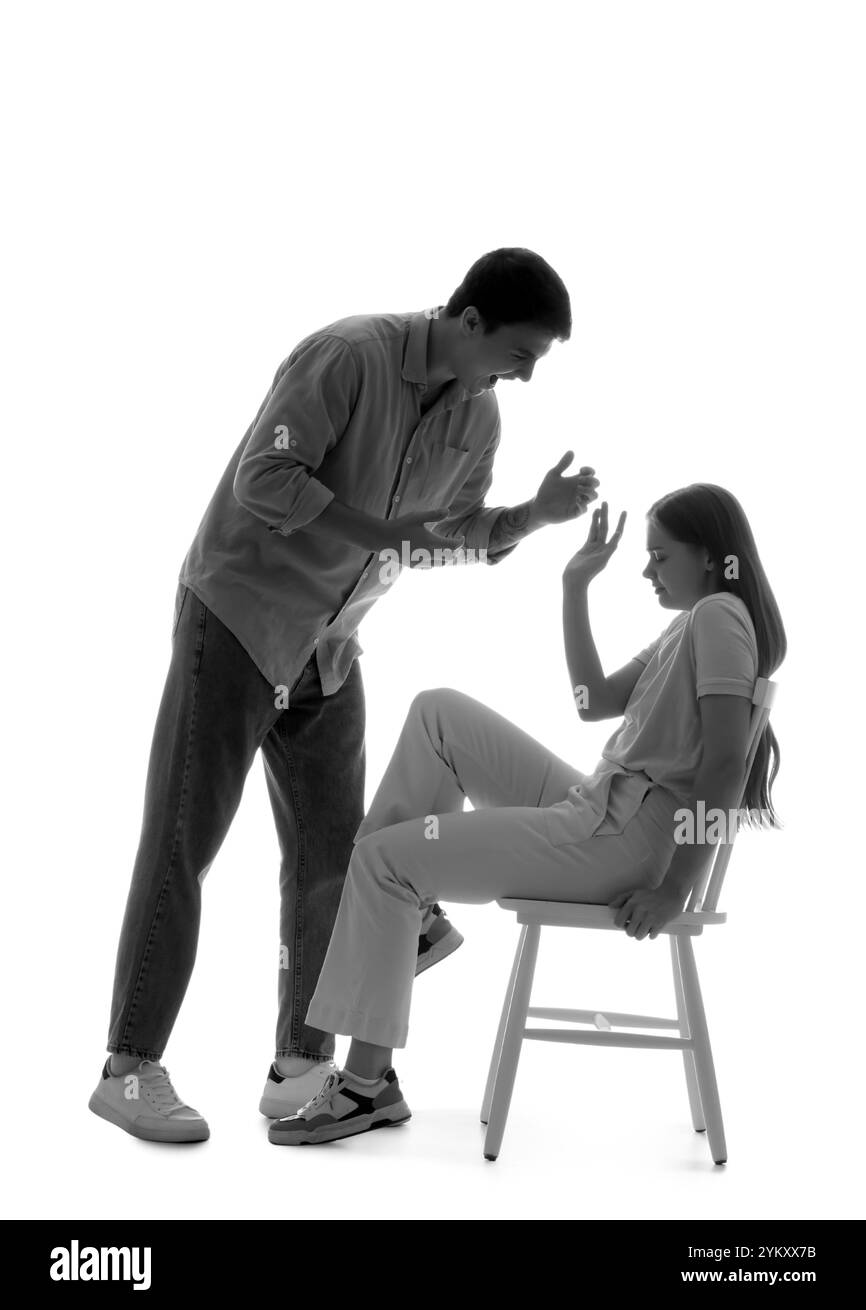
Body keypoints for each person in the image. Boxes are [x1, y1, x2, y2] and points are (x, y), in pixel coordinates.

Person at [88, 247, 602, 1144]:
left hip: (330, 645)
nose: (524, 375)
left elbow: (450, 539)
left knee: (338, 859)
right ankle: (129, 1071)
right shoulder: (348, 356)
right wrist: (378, 529)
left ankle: (301, 1064)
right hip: (239, 616)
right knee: (183, 842)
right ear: (471, 320)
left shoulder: (478, 419)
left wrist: (532, 517)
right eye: (522, 352)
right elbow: (265, 479)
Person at [268, 484, 786, 1147]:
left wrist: (673, 889)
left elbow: (725, 765)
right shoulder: (695, 622)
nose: (648, 570)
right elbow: (592, 700)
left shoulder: (719, 617)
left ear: (712, 557)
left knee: (383, 860)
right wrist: (575, 587)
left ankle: (367, 1086)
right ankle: (413, 926)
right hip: (601, 809)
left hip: (624, 841)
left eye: (661, 557)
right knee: (439, 714)